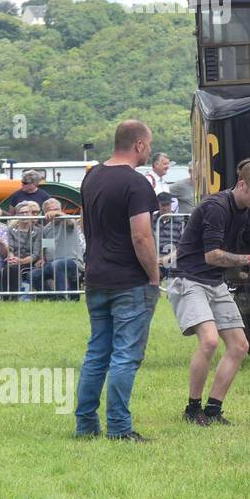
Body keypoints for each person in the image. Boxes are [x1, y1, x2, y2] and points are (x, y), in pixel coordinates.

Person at [167, 158, 250, 426]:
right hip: (189, 278)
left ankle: (213, 410)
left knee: (240, 346)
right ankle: (192, 409)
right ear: (241, 184)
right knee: (208, 341)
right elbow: (212, 256)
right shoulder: (216, 207)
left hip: (213, 282)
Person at [76, 120, 161, 441]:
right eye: (149, 145)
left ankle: (85, 425)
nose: (149, 151)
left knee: (97, 351)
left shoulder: (92, 176)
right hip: (129, 281)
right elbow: (141, 236)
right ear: (139, 145)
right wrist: (154, 275)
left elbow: (84, 223)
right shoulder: (137, 184)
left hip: (97, 276)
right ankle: (120, 429)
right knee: (126, 354)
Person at [40, 197, 85, 300]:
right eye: (51, 210)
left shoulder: (67, 221)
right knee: (34, 275)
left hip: (73, 262)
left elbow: (71, 224)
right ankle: (52, 297)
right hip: (53, 263)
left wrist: (59, 214)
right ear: (45, 213)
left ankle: (61, 298)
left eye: (57, 209)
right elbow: (48, 248)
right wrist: (42, 259)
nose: (54, 212)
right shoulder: (46, 229)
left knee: (58, 264)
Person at [3, 200, 44, 300]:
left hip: (30, 261)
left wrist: (21, 261)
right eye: (22, 213)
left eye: (27, 212)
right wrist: (12, 257)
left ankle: (16, 297)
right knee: (10, 267)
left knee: (15, 267)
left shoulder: (38, 231)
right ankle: (8, 298)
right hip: (14, 260)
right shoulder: (11, 230)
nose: (25, 215)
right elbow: (10, 248)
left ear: (31, 214)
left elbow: (35, 254)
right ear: (17, 215)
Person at [155, 192, 183, 267]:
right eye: (163, 205)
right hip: (153, 259)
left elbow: (184, 245)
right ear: (158, 205)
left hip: (173, 259)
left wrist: (167, 258)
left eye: (168, 205)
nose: (165, 208)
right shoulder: (152, 220)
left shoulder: (180, 221)